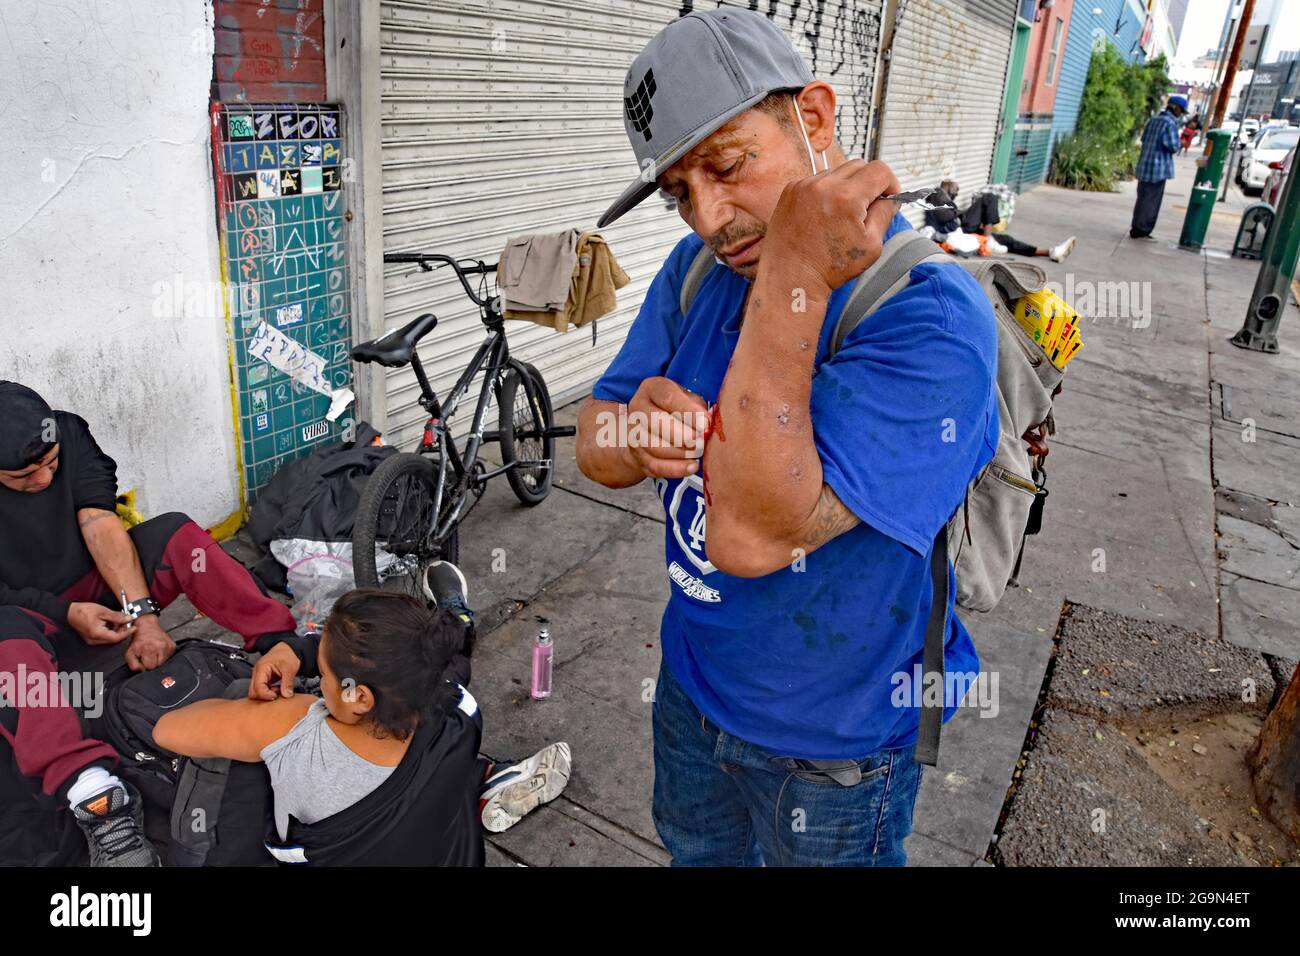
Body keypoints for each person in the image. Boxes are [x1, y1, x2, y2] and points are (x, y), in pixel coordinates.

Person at [578, 8, 998, 866]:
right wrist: (636, 432)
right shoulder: (698, 271)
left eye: (728, 167)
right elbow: (593, 434)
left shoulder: (927, 315)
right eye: (678, 194)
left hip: (834, 747)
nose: (707, 218)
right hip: (693, 691)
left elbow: (754, 534)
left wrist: (799, 271)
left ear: (811, 119)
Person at [0, 381, 304, 867]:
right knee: (3, 631)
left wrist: (142, 618)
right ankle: (96, 800)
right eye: (24, 476)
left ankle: (284, 646)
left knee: (176, 534)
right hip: (33, 618)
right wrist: (64, 613)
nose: (43, 479)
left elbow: (99, 521)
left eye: (50, 464)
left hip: (104, 589)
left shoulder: (68, 432)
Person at [158, 567, 571, 864]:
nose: (316, 685)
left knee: (239, 748)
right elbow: (450, 664)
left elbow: (168, 730)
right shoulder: (458, 710)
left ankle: (459, 618)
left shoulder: (296, 729)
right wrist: (296, 651)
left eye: (321, 674)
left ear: (359, 699)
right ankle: (458, 619)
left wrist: (252, 707)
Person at [925, 180, 1075, 261]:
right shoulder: (936, 194)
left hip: (961, 229)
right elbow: (947, 218)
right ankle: (988, 238)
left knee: (1006, 239)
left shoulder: (944, 199)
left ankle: (1050, 252)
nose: (957, 192)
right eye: (955, 189)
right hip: (956, 229)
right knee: (989, 198)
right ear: (947, 185)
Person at [1131, 95, 1187, 239]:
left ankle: (1136, 227)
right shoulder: (1170, 123)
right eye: (1181, 111)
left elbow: (1144, 139)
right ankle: (1142, 230)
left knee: (1142, 199)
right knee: (1151, 202)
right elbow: (1173, 146)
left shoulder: (1153, 120)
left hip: (1144, 166)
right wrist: (1182, 143)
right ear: (1175, 108)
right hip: (1158, 169)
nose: (1181, 114)